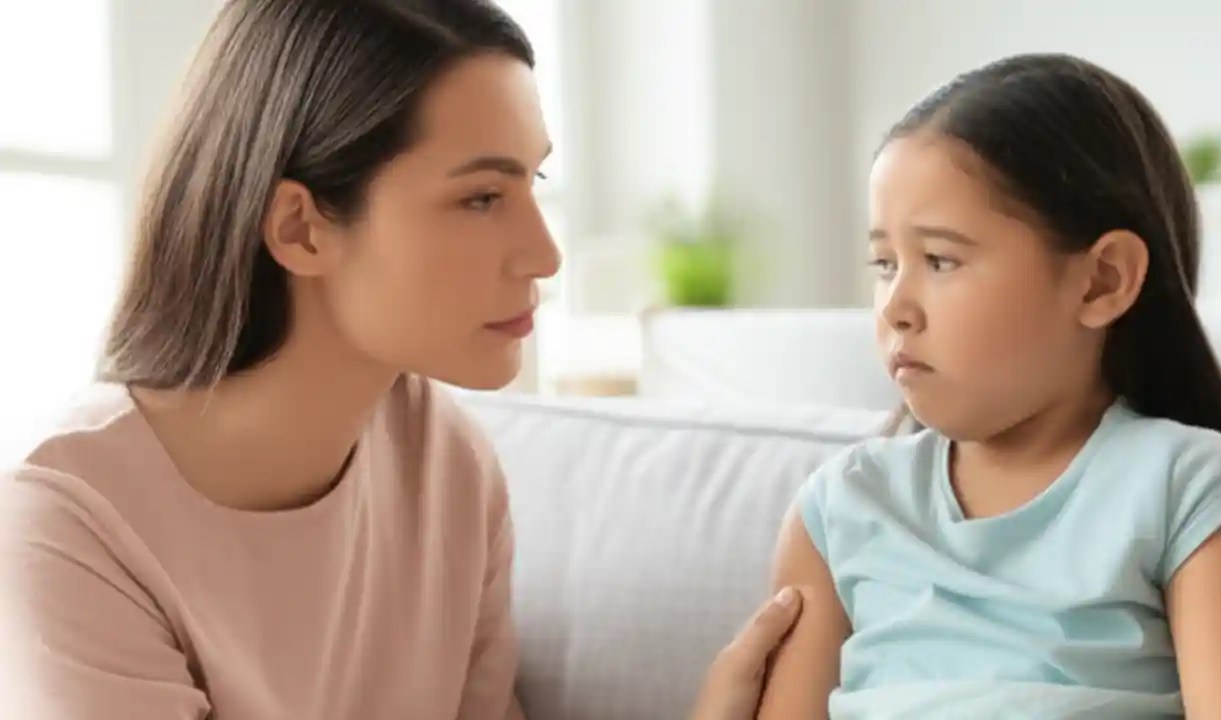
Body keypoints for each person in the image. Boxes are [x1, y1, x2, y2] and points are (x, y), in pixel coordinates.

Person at [0, 1, 800, 718]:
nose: (545, 254)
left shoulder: (450, 466)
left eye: (533, 182)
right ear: (301, 228)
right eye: (482, 197)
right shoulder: (69, 526)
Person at [757, 54, 1221, 719]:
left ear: (1102, 281)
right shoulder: (838, 510)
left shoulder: (1195, 496)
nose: (895, 307)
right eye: (885, 264)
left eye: (940, 259)